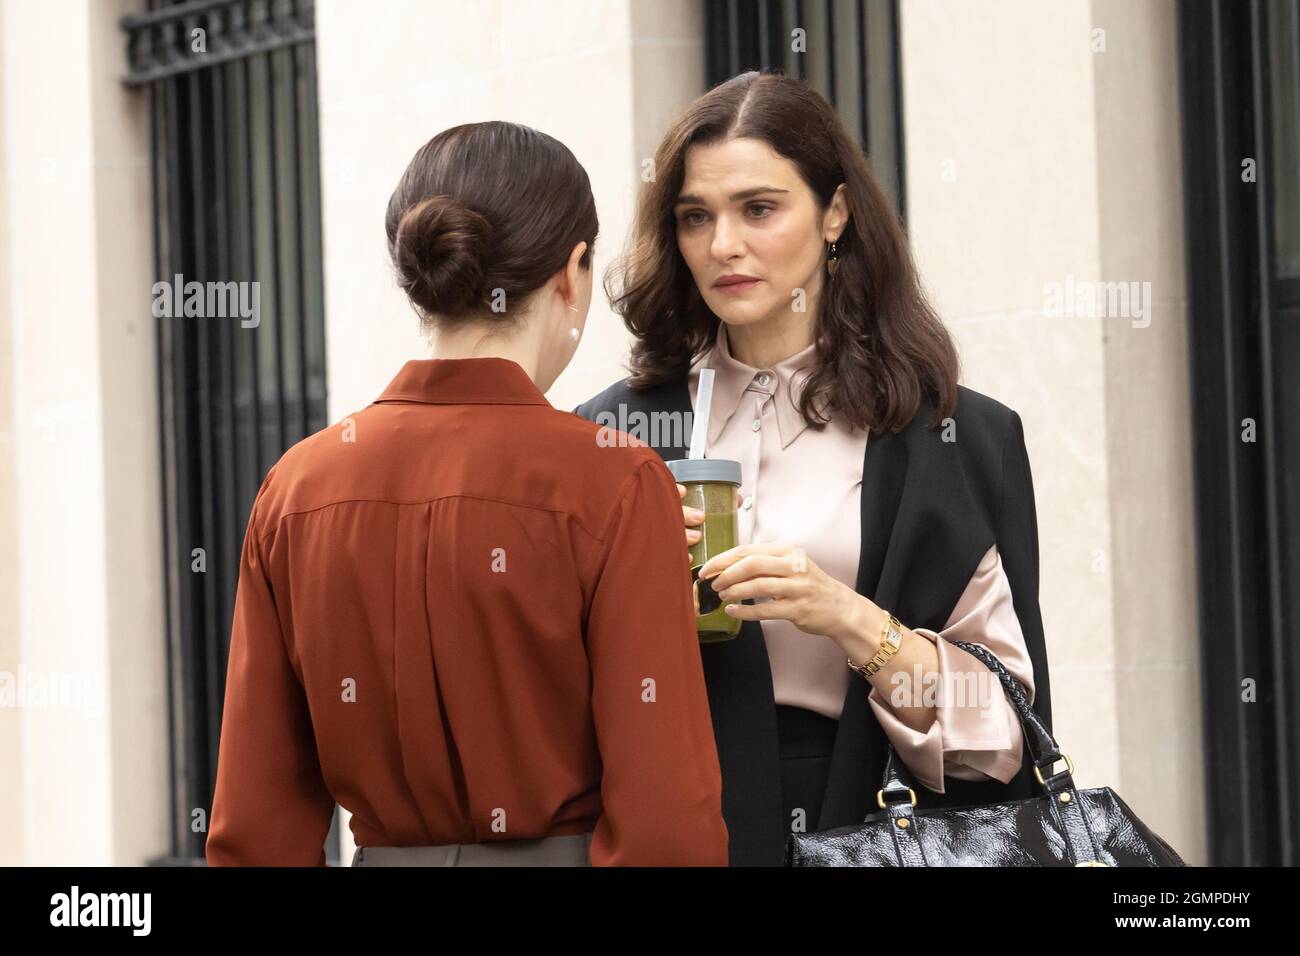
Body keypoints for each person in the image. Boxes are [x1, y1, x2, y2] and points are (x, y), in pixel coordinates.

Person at [206, 121, 728, 867]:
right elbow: (665, 829)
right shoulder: (618, 480)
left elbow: (256, 832)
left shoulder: (296, 489)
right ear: (572, 272)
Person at [575, 72, 1054, 866]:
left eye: (759, 209)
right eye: (696, 217)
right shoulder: (610, 431)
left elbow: (1005, 732)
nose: (723, 245)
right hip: (666, 834)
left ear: (835, 212)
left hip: (876, 827)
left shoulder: (958, 437)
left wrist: (846, 616)